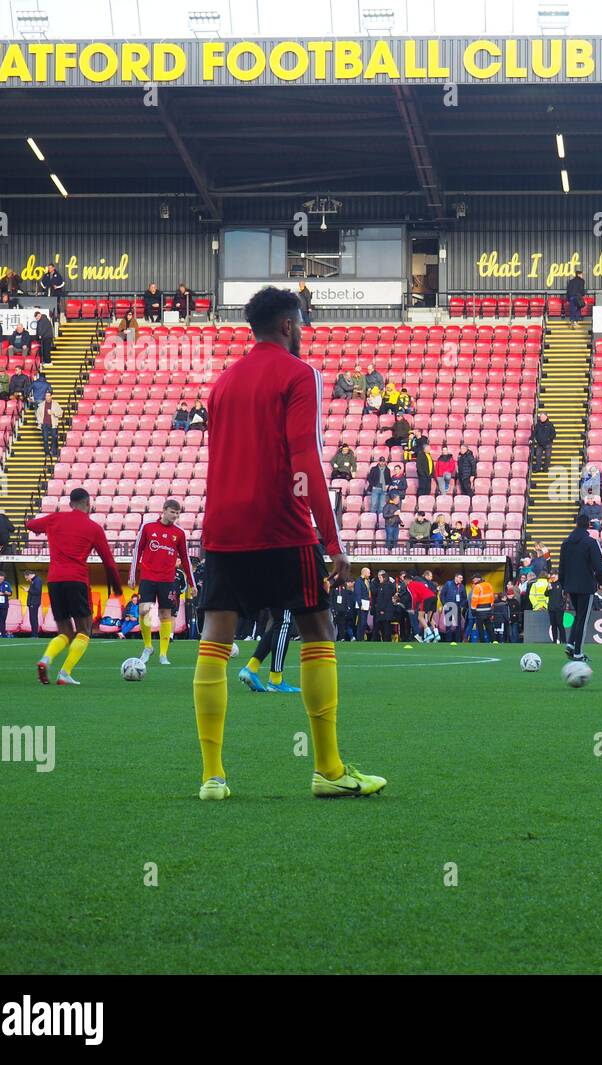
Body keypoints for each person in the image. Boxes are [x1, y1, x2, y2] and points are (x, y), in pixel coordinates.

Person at [192, 286, 385, 801]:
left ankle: (213, 776)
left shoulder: (223, 383)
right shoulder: (301, 375)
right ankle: (327, 768)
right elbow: (307, 460)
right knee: (316, 626)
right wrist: (333, 540)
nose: (302, 332)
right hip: (281, 522)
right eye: (300, 324)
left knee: (216, 636)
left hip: (223, 526)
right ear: (286, 325)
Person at [27, 488, 122, 685]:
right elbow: (109, 562)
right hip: (76, 580)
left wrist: (40, 529)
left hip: (54, 581)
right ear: (89, 504)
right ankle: (65, 673)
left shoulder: (55, 519)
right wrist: (116, 586)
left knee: (65, 632)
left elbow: (31, 524)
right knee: (84, 629)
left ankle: (46, 659)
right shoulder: (94, 528)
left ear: (70, 504)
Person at [130, 499, 196, 666]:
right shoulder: (148, 527)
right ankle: (147, 647)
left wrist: (192, 583)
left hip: (168, 579)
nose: (175, 516)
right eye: (172, 512)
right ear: (164, 510)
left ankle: (163, 654)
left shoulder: (179, 533)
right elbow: (137, 550)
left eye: (177, 513)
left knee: (165, 615)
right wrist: (132, 575)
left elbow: (186, 559)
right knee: (144, 611)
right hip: (148, 577)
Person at [560, 515, 602, 661]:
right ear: (588, 525)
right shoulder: (590, 542)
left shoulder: (566, 543)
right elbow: (599, 568)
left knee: (578, 616)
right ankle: (578, 653)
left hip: (570, 586)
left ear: (576, 524)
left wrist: (564, 586)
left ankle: (570, 645)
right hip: (586, 586)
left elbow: (561, 568)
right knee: (583, 619)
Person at [469, 575, 496, 643]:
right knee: (489, 627)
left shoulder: (477, 587)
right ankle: (493, 641)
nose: (473, 581)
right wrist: (492, 610)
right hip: (488, 610)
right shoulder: (489, 585)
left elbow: (474, 599)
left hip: (479, 611)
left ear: (478, 579)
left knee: (480, 628)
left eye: (474, 580)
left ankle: (482, 642)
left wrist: (473, 610)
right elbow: (492, 598)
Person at [36, 390, 63, 457]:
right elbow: (38, 414)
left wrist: (53, 413)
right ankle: (47, 453)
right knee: (45, 439)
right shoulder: (41, 405)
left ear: (51, 396)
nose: (47, 397)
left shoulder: (56, 404)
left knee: (54, 438)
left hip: (53, 424)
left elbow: (61, 413)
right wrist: (40, 422)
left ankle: (53, 451)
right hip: (44, 424)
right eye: (46, 396)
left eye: (48, 396)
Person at [25, 570, 44, 637]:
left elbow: (38, 591)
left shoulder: (37, 580)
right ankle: (33, 634)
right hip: (32, 602)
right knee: (32, 618)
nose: (27, 580)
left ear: (29, 575)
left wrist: (28, 590)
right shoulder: (34, 580)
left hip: (34, 602)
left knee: (33, 619)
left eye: (27, 578)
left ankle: (35, 634)